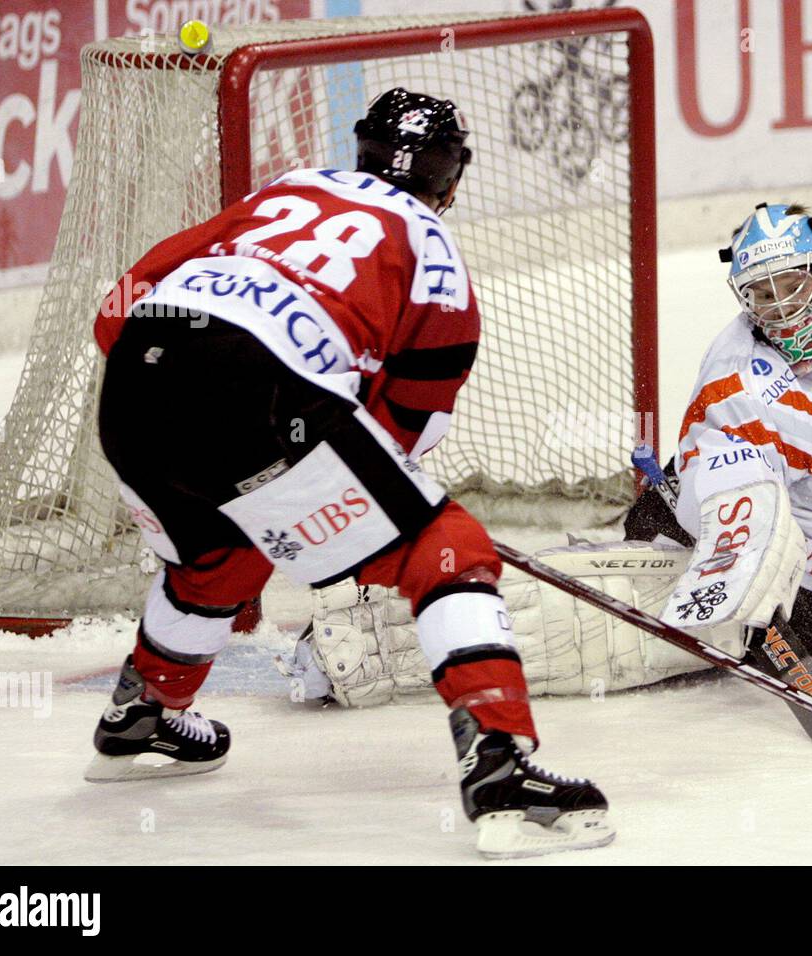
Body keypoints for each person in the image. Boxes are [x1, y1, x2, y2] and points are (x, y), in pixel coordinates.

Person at [285, 23, 812, 707]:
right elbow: (735, 504)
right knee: (598, 635)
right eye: (761, 298)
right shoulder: (738, 383)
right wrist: (734, 594)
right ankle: (356, 648)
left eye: (793, 289)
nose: (780, 313)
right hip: (704, 546)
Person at [86, 87, 613, 859]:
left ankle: (144, 716)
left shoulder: (288, 189)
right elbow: (401, 438)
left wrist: (192, 392)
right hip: (260, 387)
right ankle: (502, 768)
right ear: (452, 183)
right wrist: (376, 529)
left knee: (219, 559)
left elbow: (120, 303)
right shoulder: (437, 259)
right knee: (448, 548)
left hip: (136, 382)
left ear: (359, 151)